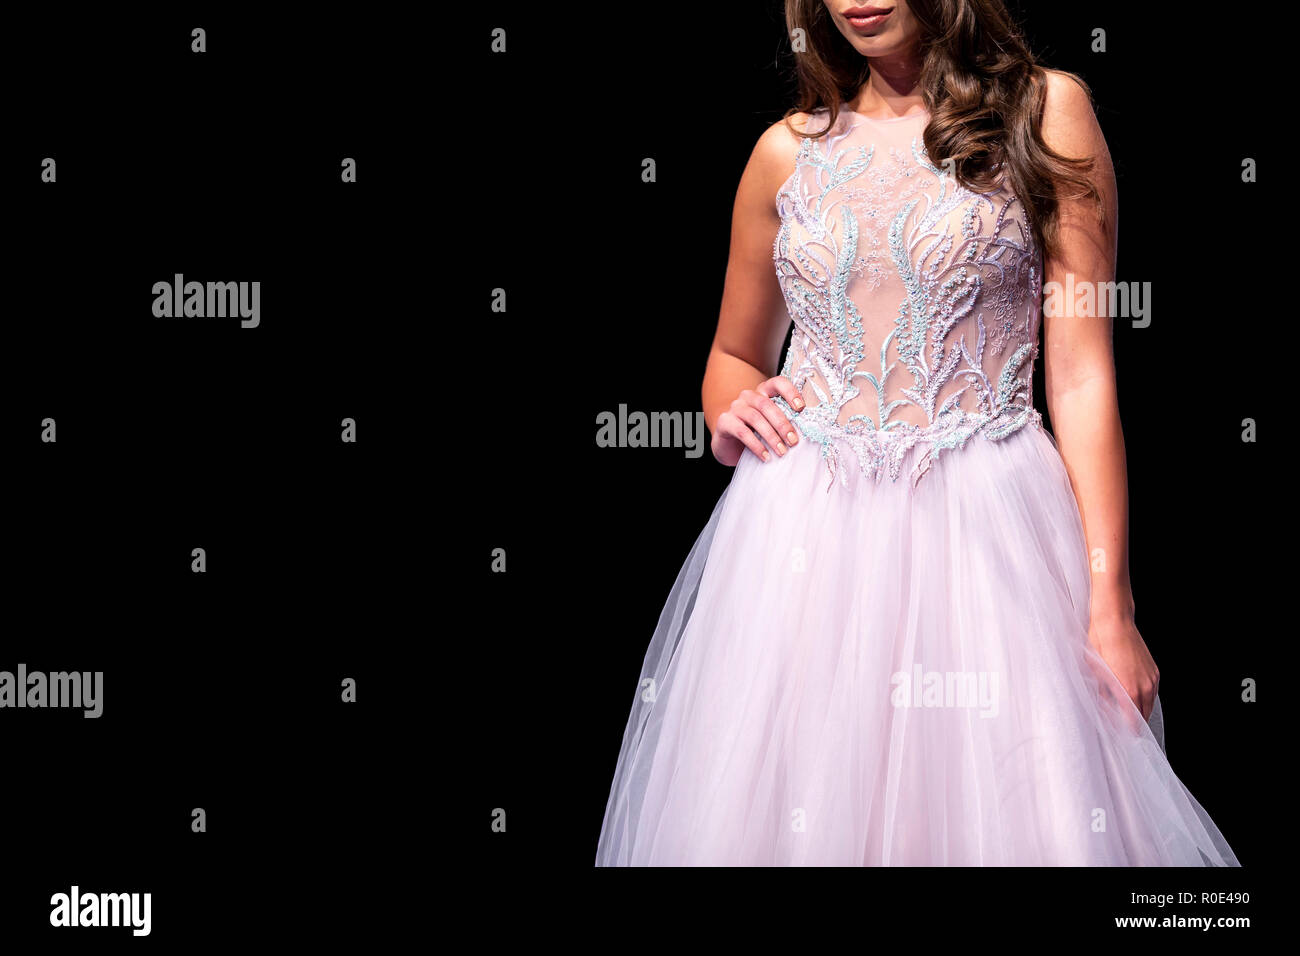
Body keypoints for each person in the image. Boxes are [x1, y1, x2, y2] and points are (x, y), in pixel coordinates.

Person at [595, 0, 1238, 866]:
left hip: (984, 536)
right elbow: (732, 353)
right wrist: (726, 407)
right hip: (801, 549)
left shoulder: (1045, 112)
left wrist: (1109, 603)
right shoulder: (788, 150)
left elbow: (1082, 376)